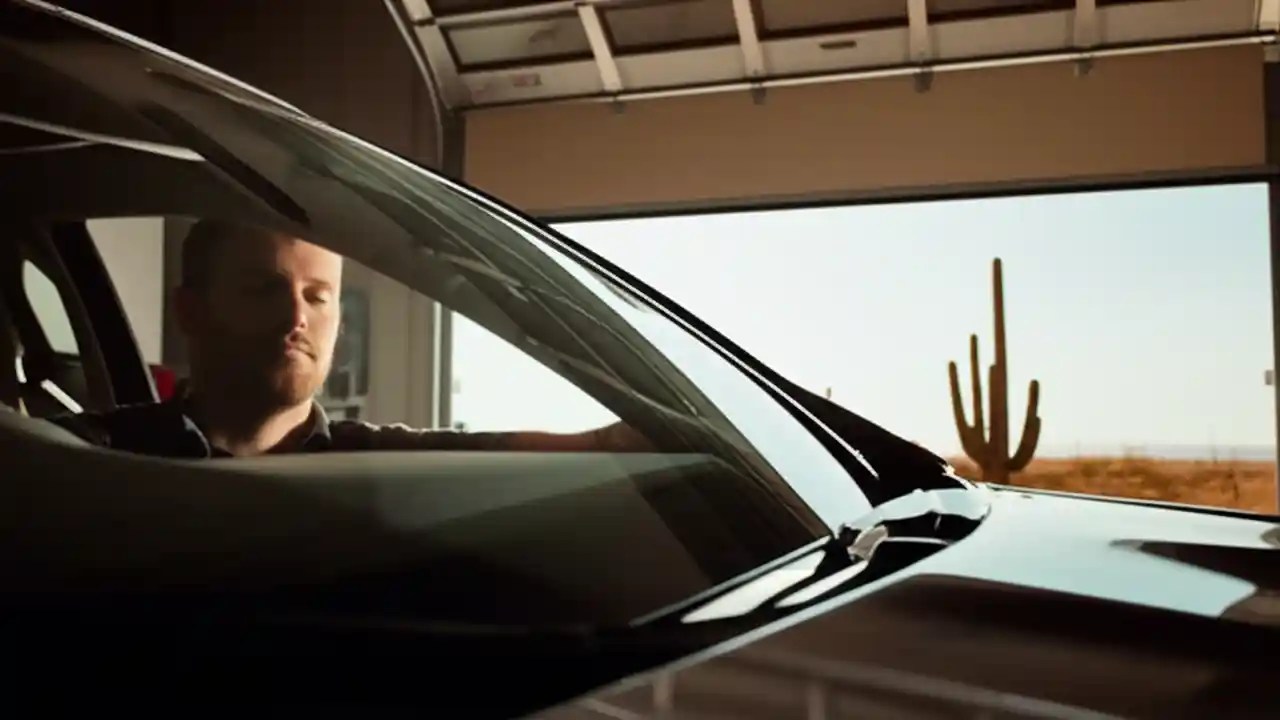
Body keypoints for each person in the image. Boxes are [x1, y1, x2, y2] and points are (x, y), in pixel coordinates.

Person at [52, 220, 651, 458]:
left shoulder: (370, 462)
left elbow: (572, 451)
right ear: (191, 310)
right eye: (264, 289)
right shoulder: (92, 455)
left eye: (318, 296)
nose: (297, 317)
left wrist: (637, 434)